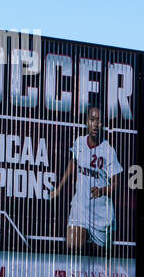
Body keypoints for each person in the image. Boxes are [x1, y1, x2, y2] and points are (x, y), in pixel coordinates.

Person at [50, 104, 122, 254]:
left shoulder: (108, 151)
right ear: (86, 121)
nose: (95, 124)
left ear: (103, 124)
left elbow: (116, 183)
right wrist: (59, 188)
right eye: (92, 119)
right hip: (80, 208)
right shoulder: (79, 142)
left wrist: (102, 191)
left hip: (101, 214)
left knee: (98, 263)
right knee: (72, 249)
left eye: (99, 121)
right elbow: (73, 162)